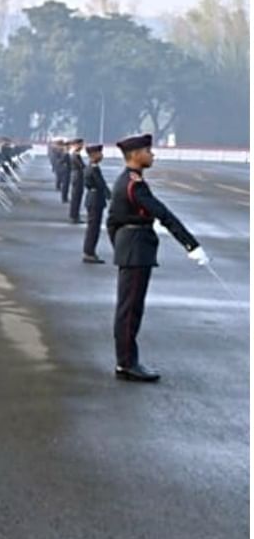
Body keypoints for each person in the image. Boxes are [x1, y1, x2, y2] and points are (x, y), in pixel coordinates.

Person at [104, 134, 207, 382]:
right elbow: (163, 213)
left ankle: (126, 361)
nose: (152, 155)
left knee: (129, 308)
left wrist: (120, 245)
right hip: (136, 250)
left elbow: (112, 222)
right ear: (136, 154)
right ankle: (127, 363)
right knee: (129, 311)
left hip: (132, 248)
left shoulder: (126, 181)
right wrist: (190, 244)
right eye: (148, 151)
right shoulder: (134, 184)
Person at [81, 143, 110, 264]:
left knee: (93, 227)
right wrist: (111, 196)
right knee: (93, 228)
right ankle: (89, 253)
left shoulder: (92, 167)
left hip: (94, 199)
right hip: (95, 200)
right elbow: (101, 185)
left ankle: (90, 251)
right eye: (99, 153)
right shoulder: (93, 168)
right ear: (93, 154)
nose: (101, 155)